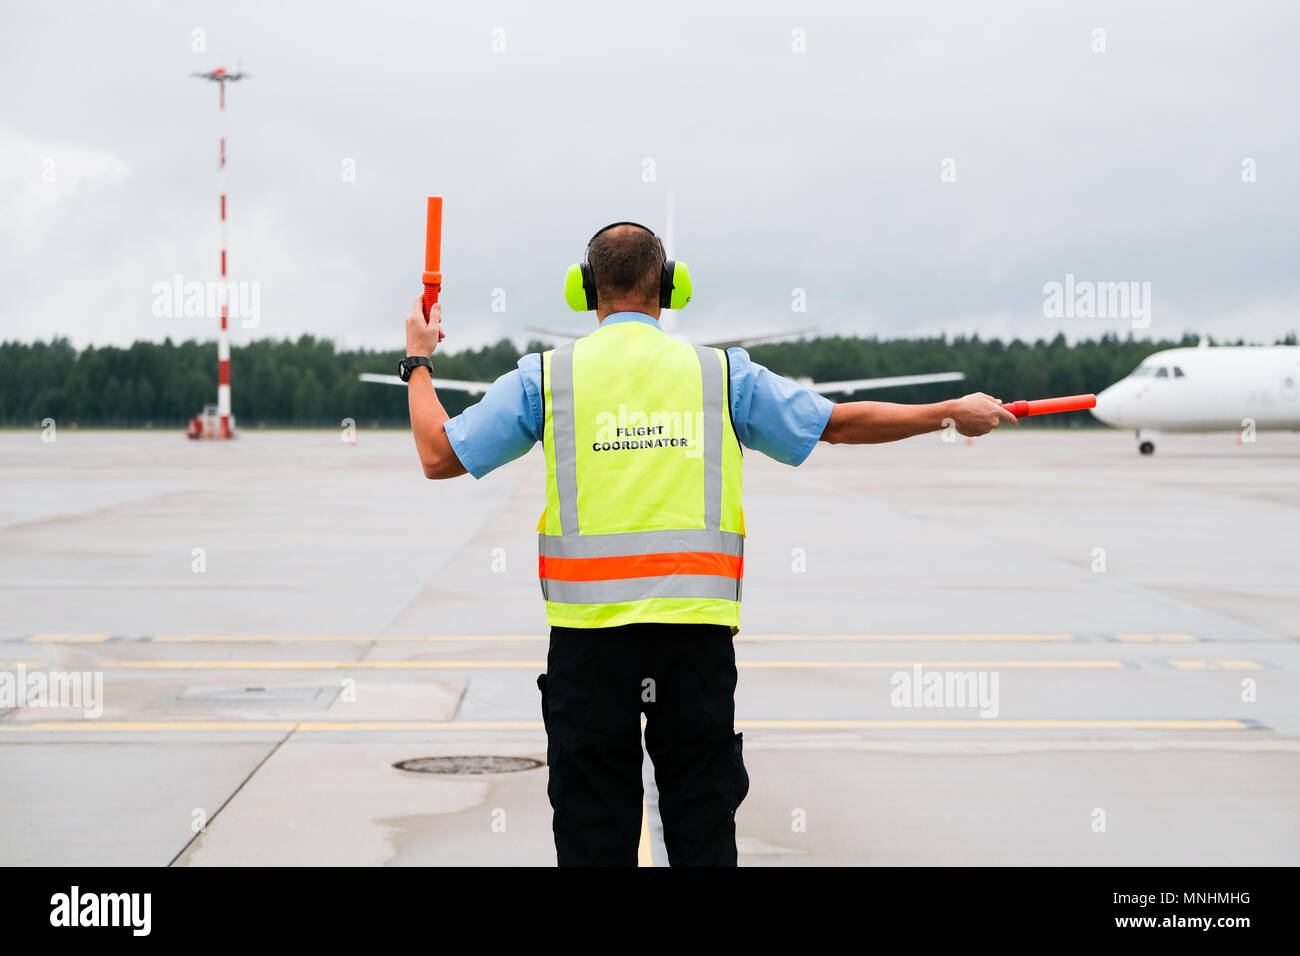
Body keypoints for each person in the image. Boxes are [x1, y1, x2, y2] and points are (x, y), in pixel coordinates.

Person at [401, 222, 1016, 866]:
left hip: (590, 650)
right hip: (694, 648)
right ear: (670, 286)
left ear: (585, 291)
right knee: (702, 837)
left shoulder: (549, 378)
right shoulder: (720, 375)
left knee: (592, 840)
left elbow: (438, 455)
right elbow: (838, 424)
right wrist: (950, 410)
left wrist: (419, 360)